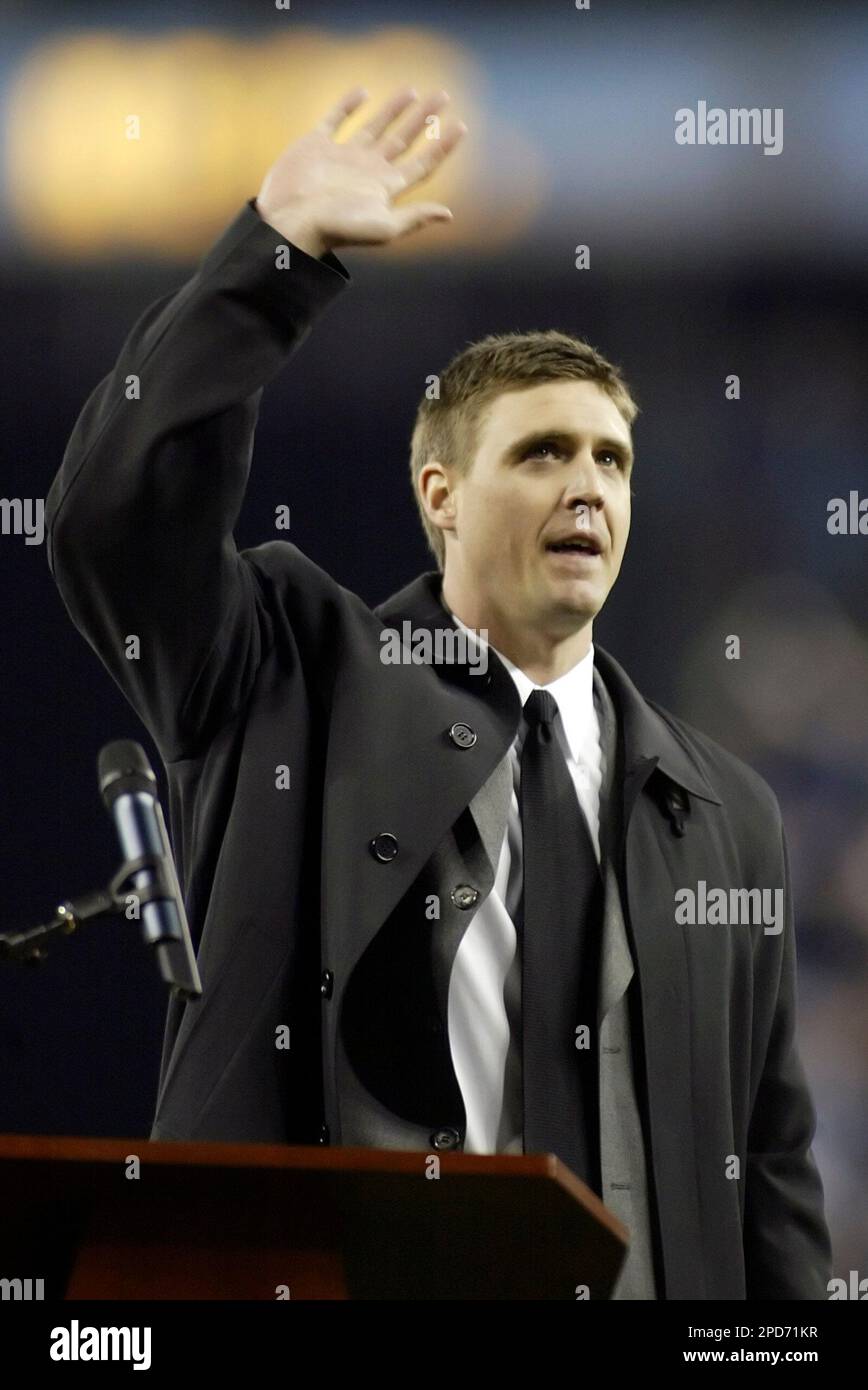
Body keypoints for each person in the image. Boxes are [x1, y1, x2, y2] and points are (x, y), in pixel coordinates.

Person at [45, 84, 832, 1299]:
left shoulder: (722, 808)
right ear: (439, 496)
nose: (588, 489)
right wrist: (275, 255)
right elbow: (114, 519)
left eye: (611, 461)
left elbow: (769, 1175)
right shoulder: (290, 676)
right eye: (540, 453)